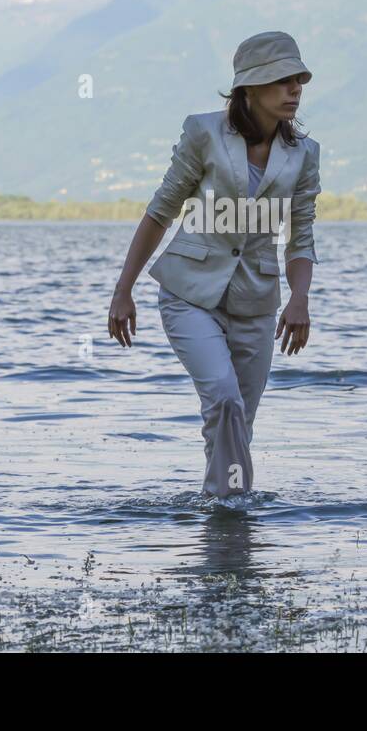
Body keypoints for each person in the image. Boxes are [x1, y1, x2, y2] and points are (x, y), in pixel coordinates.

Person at [107, 31, 322, 498]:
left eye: (299, 80)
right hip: (189, 294)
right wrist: (124, 290)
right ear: (249, 87)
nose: (295, 90)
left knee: (237, 420)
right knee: (224, 399)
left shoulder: (304, 154)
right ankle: (233, 512)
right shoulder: (204, 133)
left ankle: (223, 516)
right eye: (282, 80)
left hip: (258, 302)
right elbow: (160, 211)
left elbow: (300, 238)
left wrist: (300, 299)